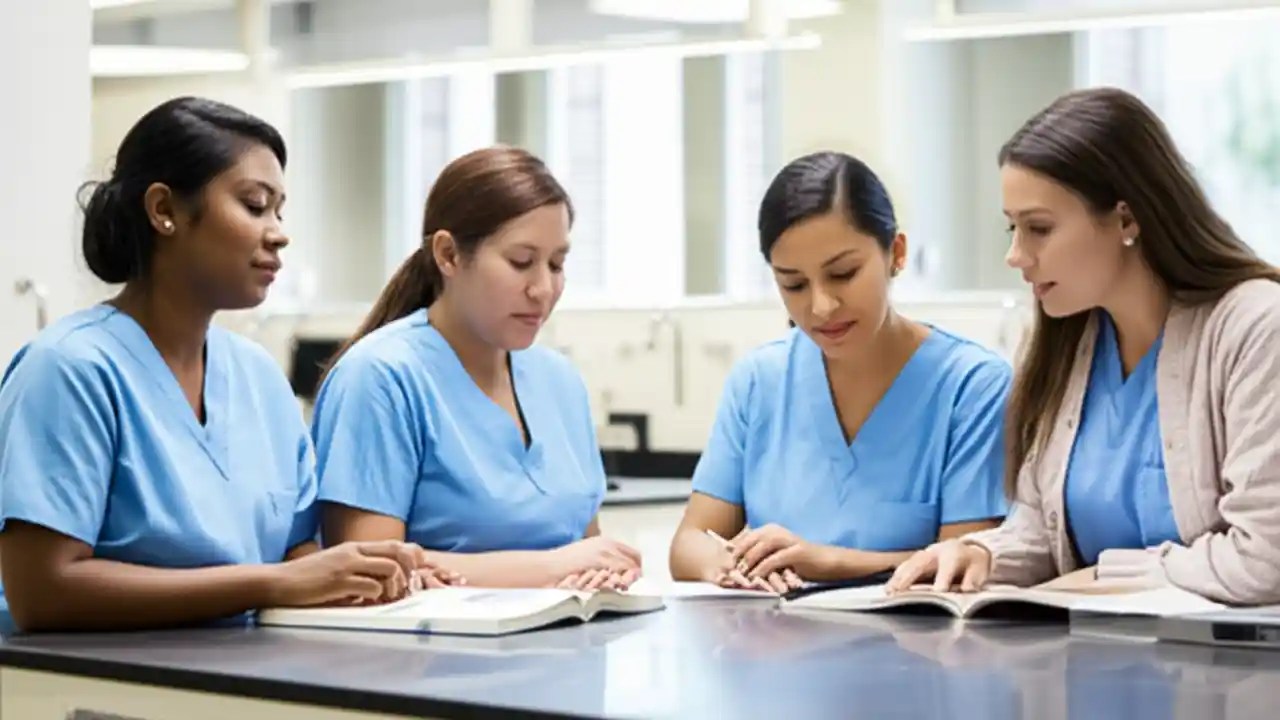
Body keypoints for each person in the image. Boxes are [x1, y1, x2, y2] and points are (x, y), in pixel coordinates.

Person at [0, 97, 450, 634]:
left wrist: (367, 578)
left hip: (258, 669)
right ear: (163, 210)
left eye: (279, 211)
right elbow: (41, 591)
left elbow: (297, 553)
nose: (278, 232)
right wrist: (268, 584)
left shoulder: (258, 377)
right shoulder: (69, 369)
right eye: (255, 206)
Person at [887, 87, 1280, 605]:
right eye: (1012, 228)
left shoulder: (1256, 328)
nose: (1015, 255)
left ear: (1126, 219)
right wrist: (982, 554)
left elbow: (1264, 559)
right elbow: (1042, 532)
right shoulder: (1068, 341)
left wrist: (1102, 578)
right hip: (1086, 648)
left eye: (1039, 228)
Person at [668, 151, 1011, 593]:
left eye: (844, 274)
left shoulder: (972, 387)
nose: (821, 306)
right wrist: (727, 565)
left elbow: (964, 563)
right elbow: (689, 543)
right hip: (772, 635)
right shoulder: (758, 381)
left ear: (896, 254)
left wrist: (825, 562)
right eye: (793, 284)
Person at [313, 146, 641, 591]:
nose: (543, 289)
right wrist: (550, 568)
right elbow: (367, 572)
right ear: (448, 255)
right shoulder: (380, 377)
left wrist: (608, 568)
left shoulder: (560, 381)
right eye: (521, 262)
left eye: (557, 264)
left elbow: (586, 552)